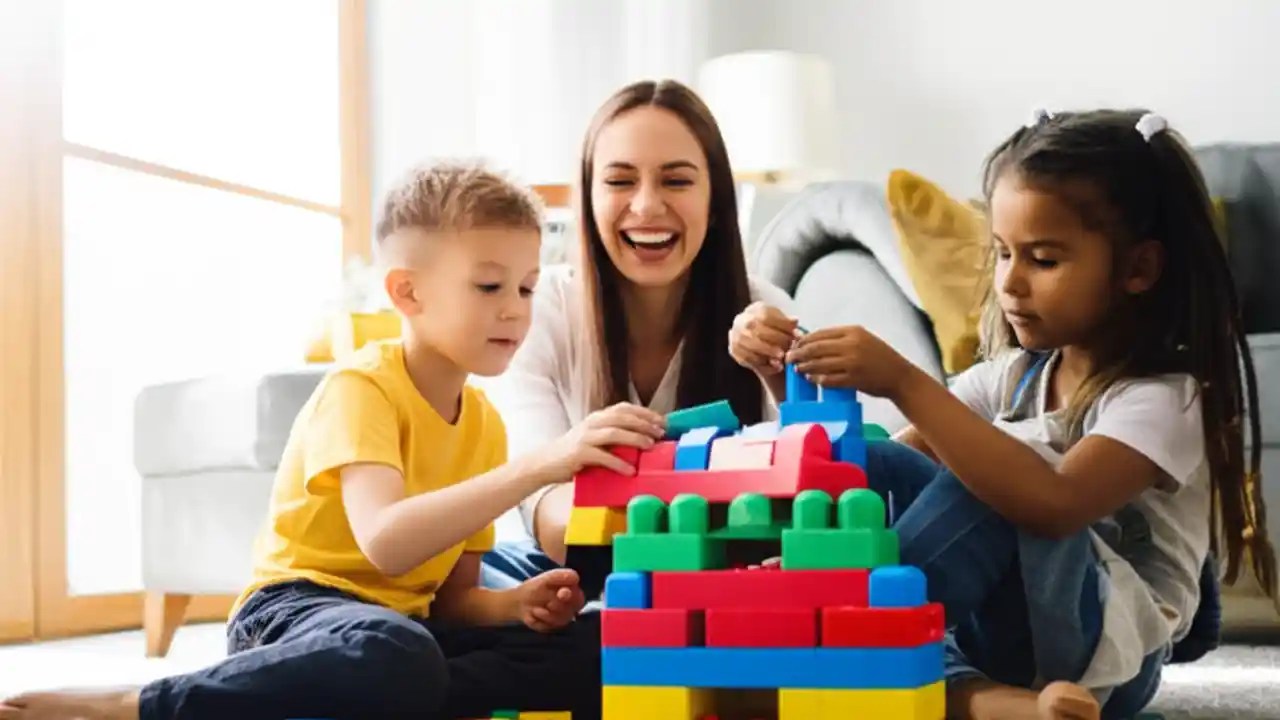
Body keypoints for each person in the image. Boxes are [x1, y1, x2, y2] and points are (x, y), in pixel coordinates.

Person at [0, 161, 669, 720]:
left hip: (406, 628)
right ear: (407, 293)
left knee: (602, 643)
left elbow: (452, 599)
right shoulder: (363, 387)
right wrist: (541, 466)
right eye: (490, 285)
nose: (516, 310)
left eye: (526, 287)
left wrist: (511, 606)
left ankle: (363, 697)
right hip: (296, 612)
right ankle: (143, 702)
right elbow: (386, 541)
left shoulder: (484, 424)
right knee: (395, 653)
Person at [750, 109, 1277, 719]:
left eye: (1043, 260)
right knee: (880, 460)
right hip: (1006, 631)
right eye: (1002, 254)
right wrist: (783, 370)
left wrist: (902, 380)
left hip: (1104, 652)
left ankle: (847, 628)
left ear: (1137, 269)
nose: (1010, 283)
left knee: (998, 481)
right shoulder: (1016, 375)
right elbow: (899, 465)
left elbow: (1054, 505)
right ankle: (1004, 703)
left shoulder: (1166, 398)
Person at [481, 79, 798, 597]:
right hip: (566, 588)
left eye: (676, 181)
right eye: (619, 181)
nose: (647, 206)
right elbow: (554, 523)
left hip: (726, 597)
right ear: (588, 199)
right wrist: (712, 520)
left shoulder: (765, 309)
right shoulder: (538, 312)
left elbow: (808, 498)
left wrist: (778, 377)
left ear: (716, 202)